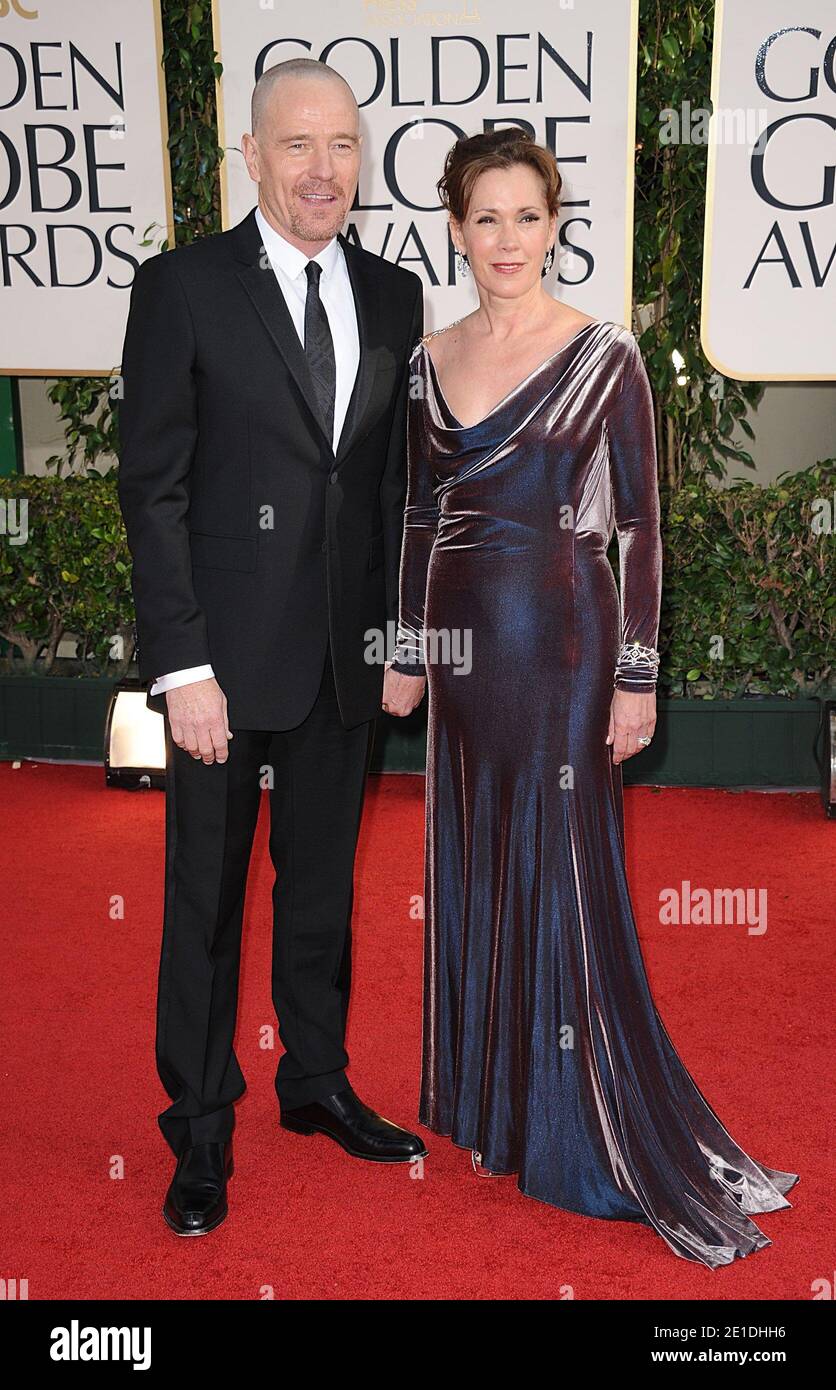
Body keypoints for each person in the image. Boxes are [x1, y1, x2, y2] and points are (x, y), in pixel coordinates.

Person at [384, 128, 798, 1268]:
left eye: (527, 217)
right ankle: (499, 1108)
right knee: (474, 857)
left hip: (564, 645)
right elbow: (418, 515)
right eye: (485, 218)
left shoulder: (602, 353)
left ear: (553, 225)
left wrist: (635, 676)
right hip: (463, 659)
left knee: (560, 872)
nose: (506, 240)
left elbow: (638, 526)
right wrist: (407, 648)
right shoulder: (427, 360)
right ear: (455, 229)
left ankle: (583, 1130)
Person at [117, 58, 427, 1237]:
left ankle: (314, 1081)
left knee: (322, 892)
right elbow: (152, 488)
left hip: (346, 660)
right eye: (297, 146)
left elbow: (395, 489)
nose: (322, 170)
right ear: (249, 156)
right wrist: (181, 663)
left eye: (341, 146)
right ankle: (199, 1127)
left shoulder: (394, 297)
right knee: (203, 898)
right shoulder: (184, 288)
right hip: (221, 671)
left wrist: (399, 633)